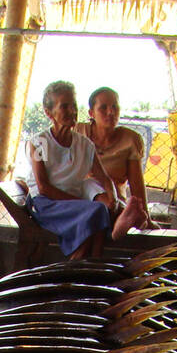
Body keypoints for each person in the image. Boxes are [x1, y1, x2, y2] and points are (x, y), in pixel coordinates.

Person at [24, 80, 116, 260]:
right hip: (44, 204)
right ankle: (85, 264)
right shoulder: (39, 143)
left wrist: (113, 198)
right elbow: (43, 188)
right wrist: (82, 203)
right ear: (48, 112)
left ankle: (86, 264)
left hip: (72, 205)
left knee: (99, 211)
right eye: (64, 106)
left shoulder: (85, 145)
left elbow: (104, 178)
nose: (72, 111)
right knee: (95, 212)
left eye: (73, 105)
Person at [75, 86, 149, 240]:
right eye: (103, 108)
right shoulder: (77, 132)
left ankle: (126, 218)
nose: (110, 112)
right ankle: (121, 224)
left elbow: (136, 185)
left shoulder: (130, 140)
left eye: (115, 107)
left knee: (113, 206)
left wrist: (146, 215)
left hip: (115, 203)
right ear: (91, 113)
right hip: (82, 200)